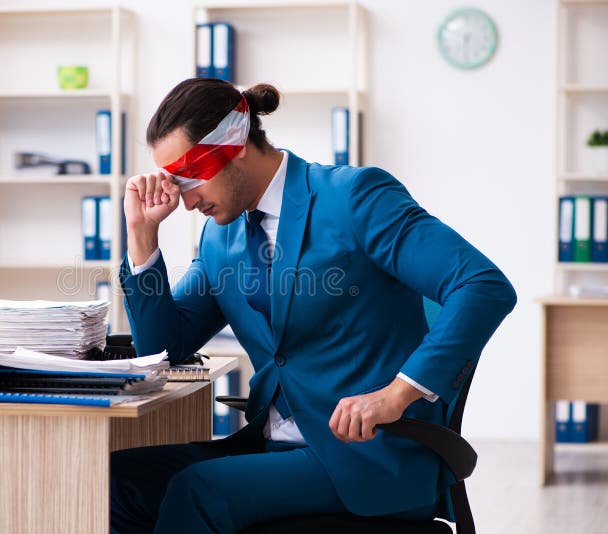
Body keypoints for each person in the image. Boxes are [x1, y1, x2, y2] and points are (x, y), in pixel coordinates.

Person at [111, 78, 516, 534]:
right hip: (274, 448)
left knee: (197, 491)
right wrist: (142, 237)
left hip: (368, 456)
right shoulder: (219, 238)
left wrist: (397, 393)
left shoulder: (354, 198)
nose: (186, 201)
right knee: (117, 482)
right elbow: (163, 350)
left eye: (191, 176)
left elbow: (481, 285)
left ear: (235, 144)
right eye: (174, 182)